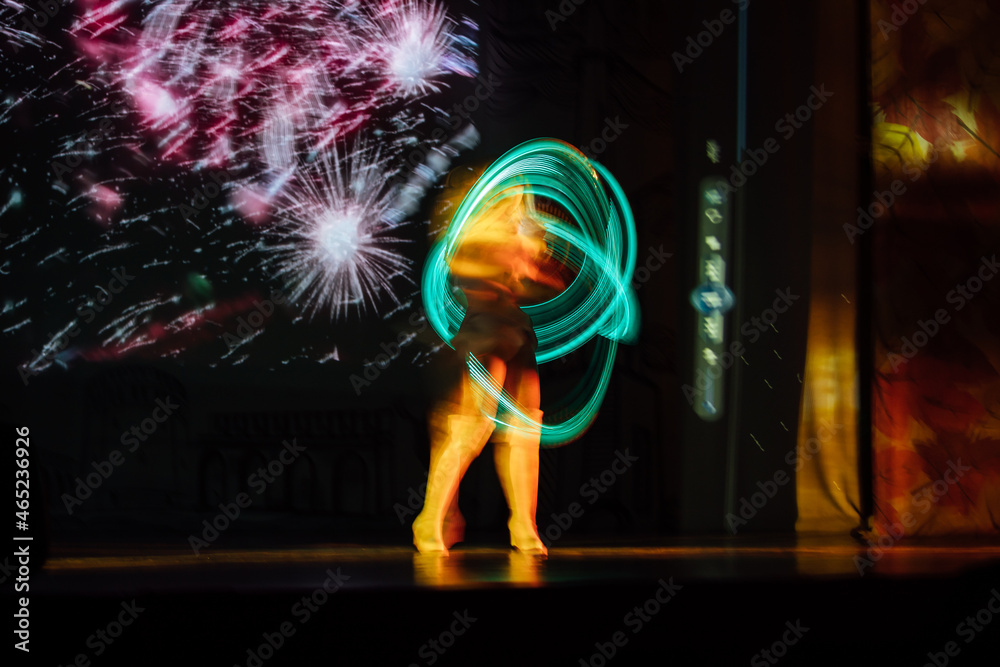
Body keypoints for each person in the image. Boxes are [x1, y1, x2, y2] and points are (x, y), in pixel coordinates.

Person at [412, 186, 566, 555]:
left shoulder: (523, 239)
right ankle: (431, 517)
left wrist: (536, 268)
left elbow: (544, 285)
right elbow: (461, 271)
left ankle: (524, 525)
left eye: (521, 197)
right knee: (472, 426)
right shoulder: (472, 237)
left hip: (516, 331)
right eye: (511, 197)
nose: (518, 204)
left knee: (526, 428)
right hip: (484, 331)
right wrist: (502, 260)